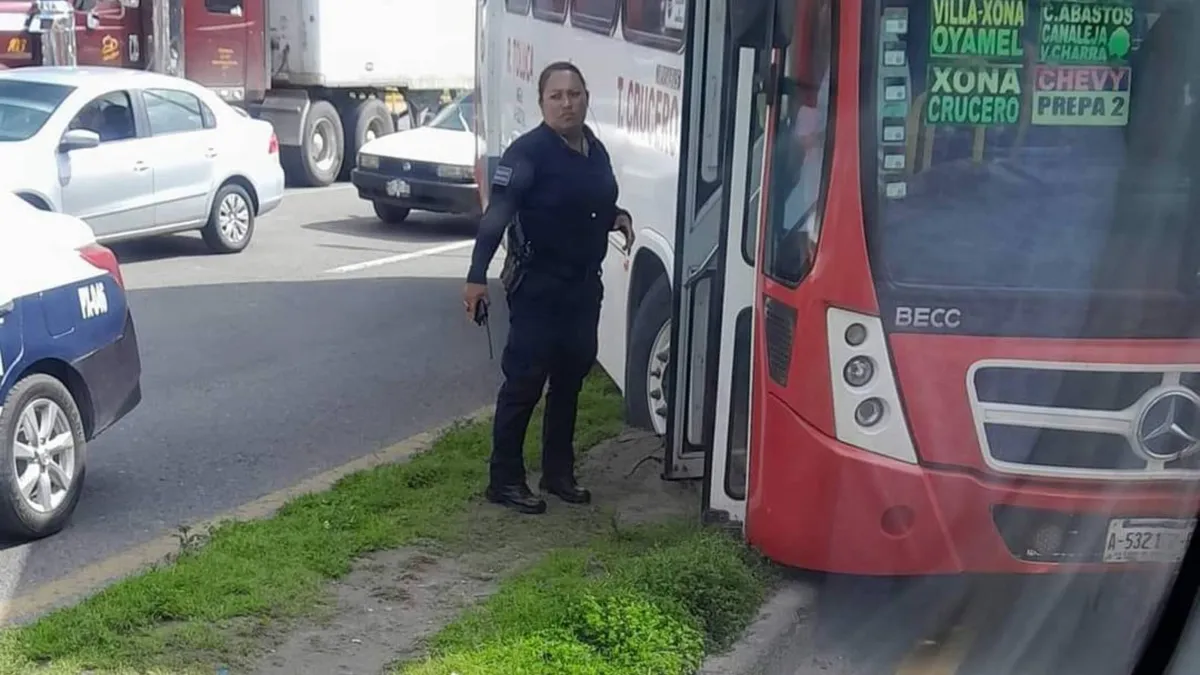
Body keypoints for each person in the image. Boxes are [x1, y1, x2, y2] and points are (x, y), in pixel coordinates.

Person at [462, 61, 635, 515]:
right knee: (523, 385)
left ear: (586, 99)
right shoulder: (527, 153)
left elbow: (595, 199)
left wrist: (617, 216)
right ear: (541, 103)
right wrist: (476, 276)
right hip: (538, 288)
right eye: (556, 96)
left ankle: (558, 473)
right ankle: (505, 480)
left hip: (582, 290)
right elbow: (496, 217)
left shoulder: (593, 149)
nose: (566, 103)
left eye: (574, 94)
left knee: (569, 383)